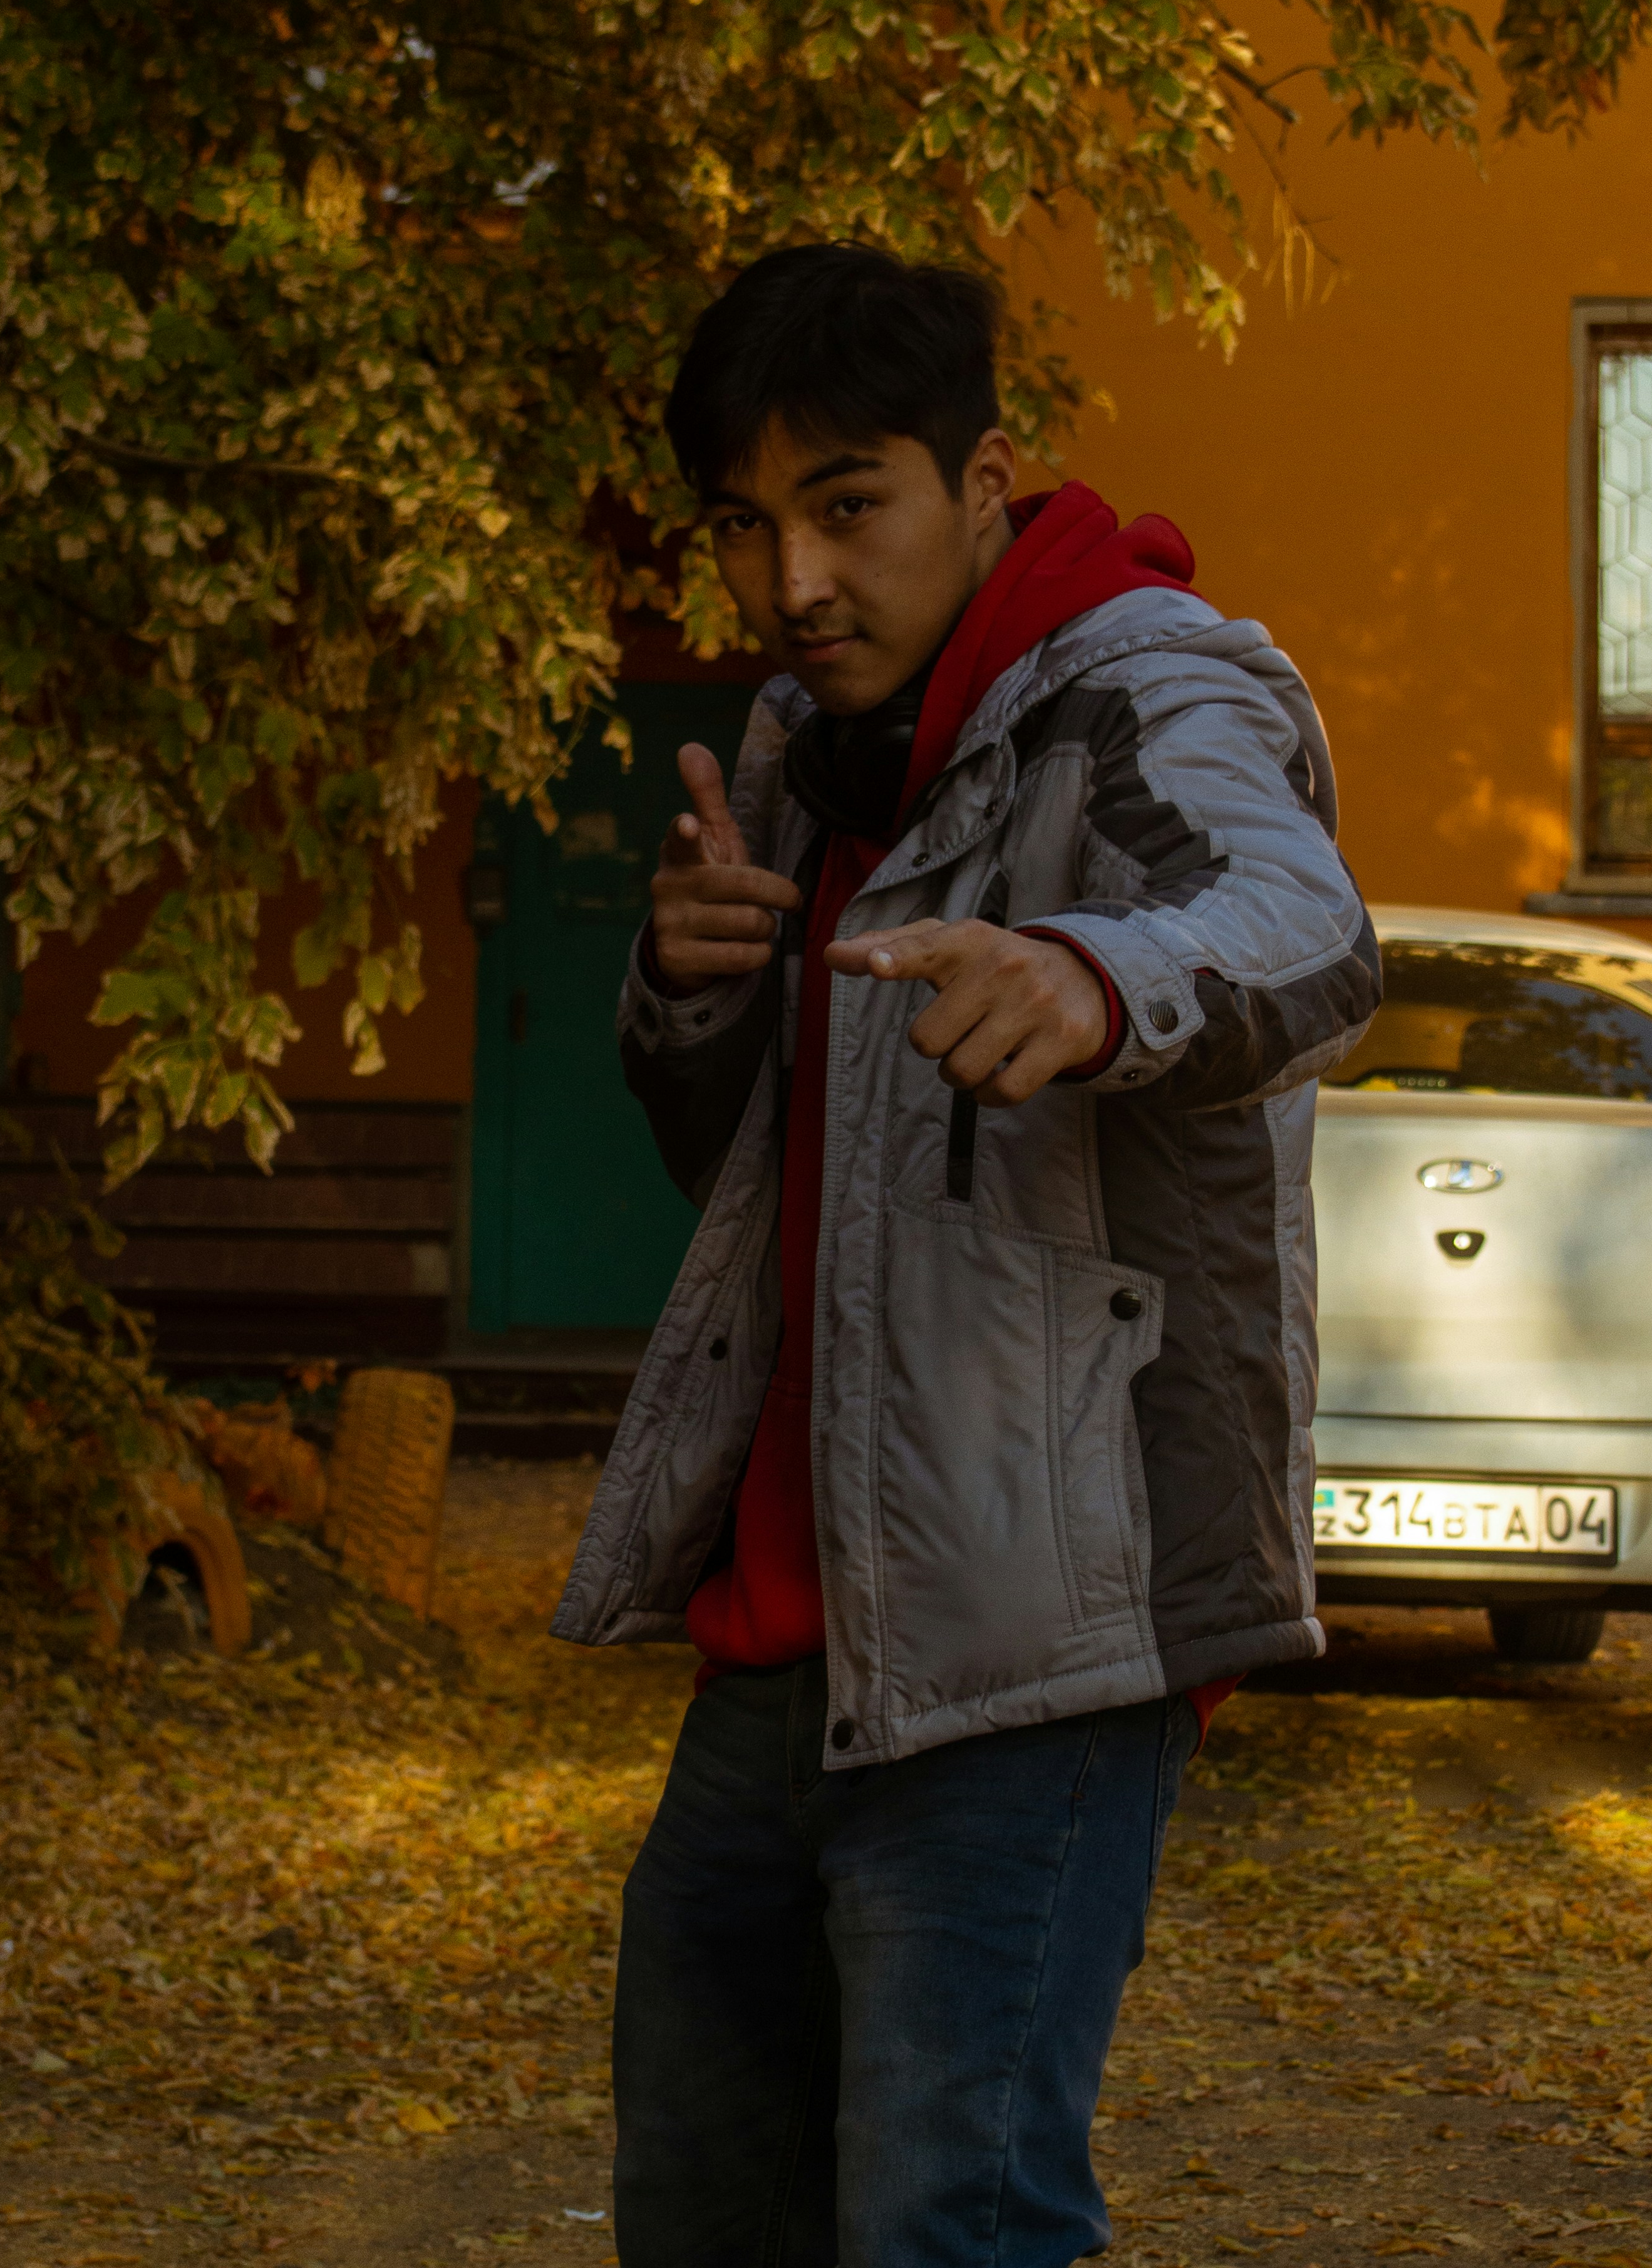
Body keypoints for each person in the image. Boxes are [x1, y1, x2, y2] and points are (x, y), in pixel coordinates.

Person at [552, 242, 1380, 2267]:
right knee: (708, 2215)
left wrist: (1097, 976)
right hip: (784, 1641)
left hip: (1035, 1639)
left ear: (985, 477)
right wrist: (687, 988)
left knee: (952, 2227)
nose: (792, 584)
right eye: (747, 529)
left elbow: (1305, 928)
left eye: (849, 508)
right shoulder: (794, 745)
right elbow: (749, 1179)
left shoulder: (1143, 685)